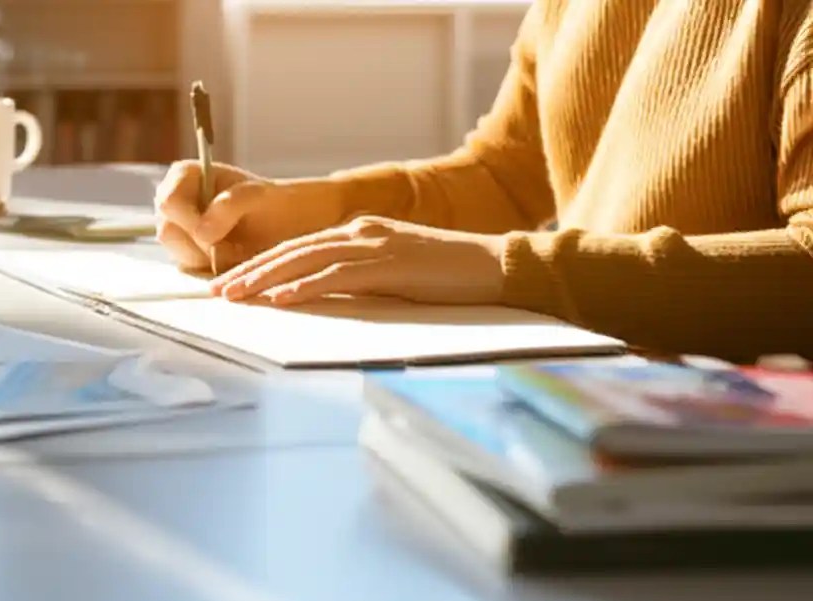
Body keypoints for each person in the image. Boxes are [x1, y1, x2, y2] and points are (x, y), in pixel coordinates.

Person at [154, 0, 813, 363]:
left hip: (731, 463)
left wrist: (506, 267)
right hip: (591, 402)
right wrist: (291, 213)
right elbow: (504, 176)